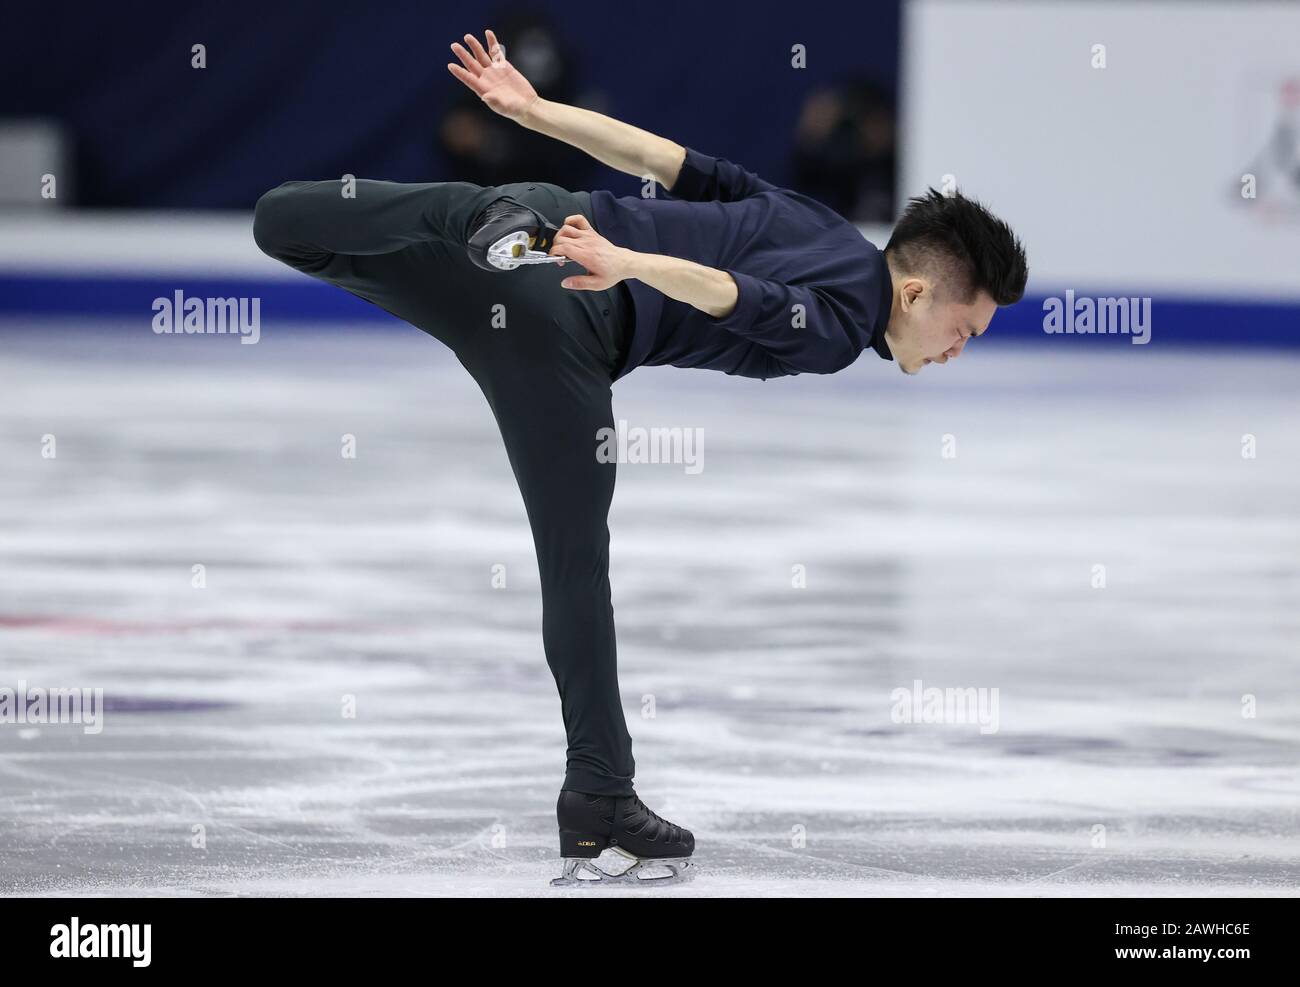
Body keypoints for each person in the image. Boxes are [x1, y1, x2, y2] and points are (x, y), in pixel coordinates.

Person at [252, 29, 1028, 887]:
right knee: (575, 564)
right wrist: (623, 265)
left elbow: (666, 159)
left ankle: (472, 214)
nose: (957, 350)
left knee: (286, 221)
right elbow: (737, 295)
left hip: (536, 223)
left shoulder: (826, 226)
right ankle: (599, 799)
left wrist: (537, 112)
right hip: (568, 318)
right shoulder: (845, 326)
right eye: (964, 330)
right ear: (916, 292)